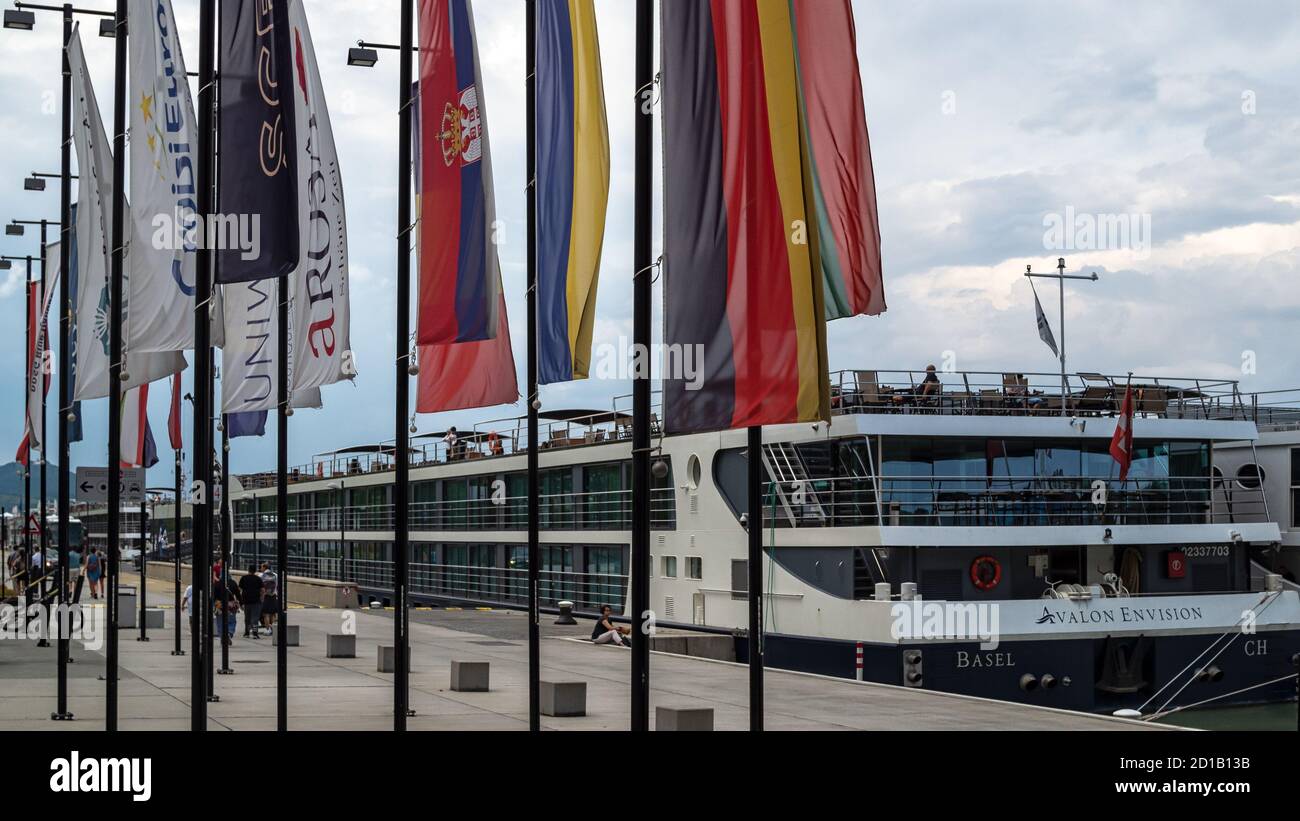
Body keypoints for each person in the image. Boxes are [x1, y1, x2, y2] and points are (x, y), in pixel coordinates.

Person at [237, 564, 264, 639]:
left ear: (248, 570)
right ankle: (255, 633)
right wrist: (262, 598)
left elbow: (239, 589)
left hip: (246, 600)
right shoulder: (258, 579)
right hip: (256, 600)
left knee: (247, 617)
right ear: (255, 571)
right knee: (255, 617)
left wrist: (239, 600)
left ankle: (247, 632)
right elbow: (262, 590)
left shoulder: (244, 578)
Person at [259, 562, 279, 635]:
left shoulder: (261, 575)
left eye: (261, 567)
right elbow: (277, 586)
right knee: (273, 614)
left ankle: (268, 629)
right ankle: (273, 628)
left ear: (265, 567)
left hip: (265, 596)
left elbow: (260, 587)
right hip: (273, 595)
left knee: (266, 614)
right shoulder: (275, 575)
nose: (260, 569)